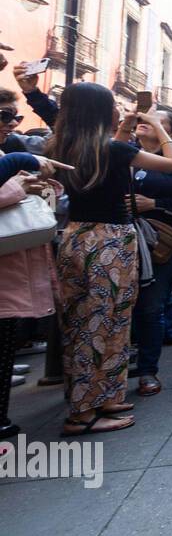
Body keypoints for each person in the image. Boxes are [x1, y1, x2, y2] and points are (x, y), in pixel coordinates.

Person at [47, 84, 172, 435]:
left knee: (88, 322)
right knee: (104, 324)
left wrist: (125, 126)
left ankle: (103, 396)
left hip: (75, 237)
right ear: (102, 112)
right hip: (109, 243)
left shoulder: (64, 145)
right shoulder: (116, 150)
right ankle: (83, 413)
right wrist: (157, 124)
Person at [124, 111, 172, 397]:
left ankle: (147, 370)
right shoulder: (122, 153)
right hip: (119, 239)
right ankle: (114, 369)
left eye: (158, 120)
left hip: (159, 245)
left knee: (151, 307)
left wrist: (154, 203)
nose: (146, 119)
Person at [0, 164, 62, 438]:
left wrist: (39, 184)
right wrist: (16, 187)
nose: (10, 123)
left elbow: (53, 199)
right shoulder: (11, 157)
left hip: (14, 266)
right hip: (10, 268)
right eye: (5, 117)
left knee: (5, 343)